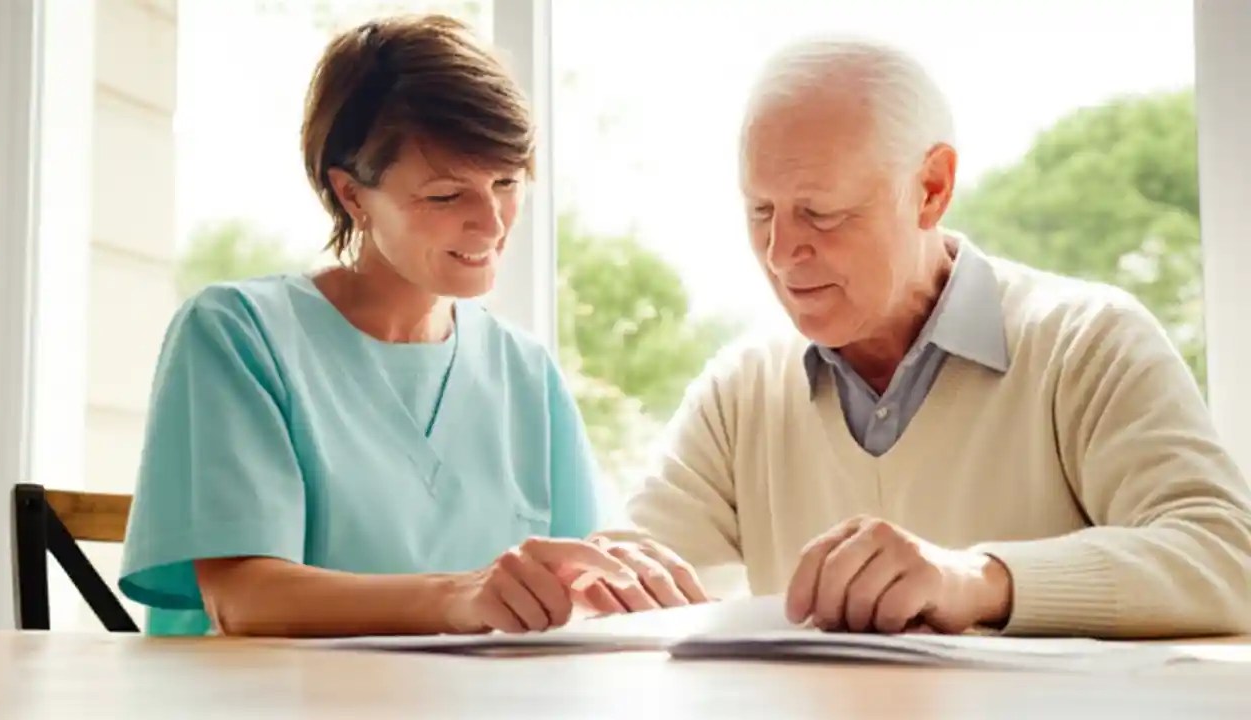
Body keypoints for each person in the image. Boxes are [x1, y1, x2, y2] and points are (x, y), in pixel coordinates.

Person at [608, 37, 1251, 638]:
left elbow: (1227, 556)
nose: (780, 252)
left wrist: (977, 580)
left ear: (932, 188)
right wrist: (562, 594)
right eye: (759, 211)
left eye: (821, 213)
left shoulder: (1087, 344)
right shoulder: (737, 393)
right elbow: (638, 587)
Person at [117, 14, 705, 638]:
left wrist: (617, 571)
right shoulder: (237, 336)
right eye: (447, 196)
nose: (493, 223)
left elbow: (571, 588)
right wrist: (462, 597)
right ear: (352, 195)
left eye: (506, 183)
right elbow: (244, 597)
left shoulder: (525, 373)